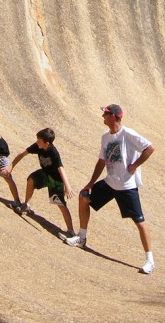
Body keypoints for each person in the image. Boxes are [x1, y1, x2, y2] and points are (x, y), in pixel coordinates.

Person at [64, 104, 155, 275]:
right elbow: (101, 161)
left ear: (114, 116)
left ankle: (150, 260)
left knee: (139, 222)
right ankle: (81, 237)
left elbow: (149, 148)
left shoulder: (128, 134)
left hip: (127, 186)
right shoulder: (105, 137)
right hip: (110, 183)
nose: (103, 117)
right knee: (84, 197)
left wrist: (135, 165)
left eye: (105, 114)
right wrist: (90, 183)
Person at [10, 127, 76, 238]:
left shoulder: (53, 152)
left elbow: (61, 168)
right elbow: (22, 153)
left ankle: (71, 231)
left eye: (39, 141)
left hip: (55, 180)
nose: (37, 142)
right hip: (45, 174)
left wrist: (67, 186)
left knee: (59, 204)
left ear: (47, 143)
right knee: (31, 179)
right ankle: (26, 205)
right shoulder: (38, 146)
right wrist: (11, 166)